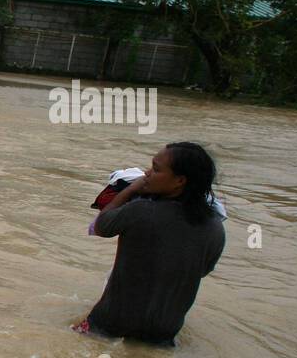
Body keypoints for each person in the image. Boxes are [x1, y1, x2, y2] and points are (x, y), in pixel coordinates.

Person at [76, 142, 226, 345]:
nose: (147, 173)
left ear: (179, 181)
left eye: (156, 169)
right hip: (162, 335)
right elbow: (201, 271)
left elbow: (101, 226)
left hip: (109, 324)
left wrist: (130, 189)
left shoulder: (141, 210)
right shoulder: (215, 228)